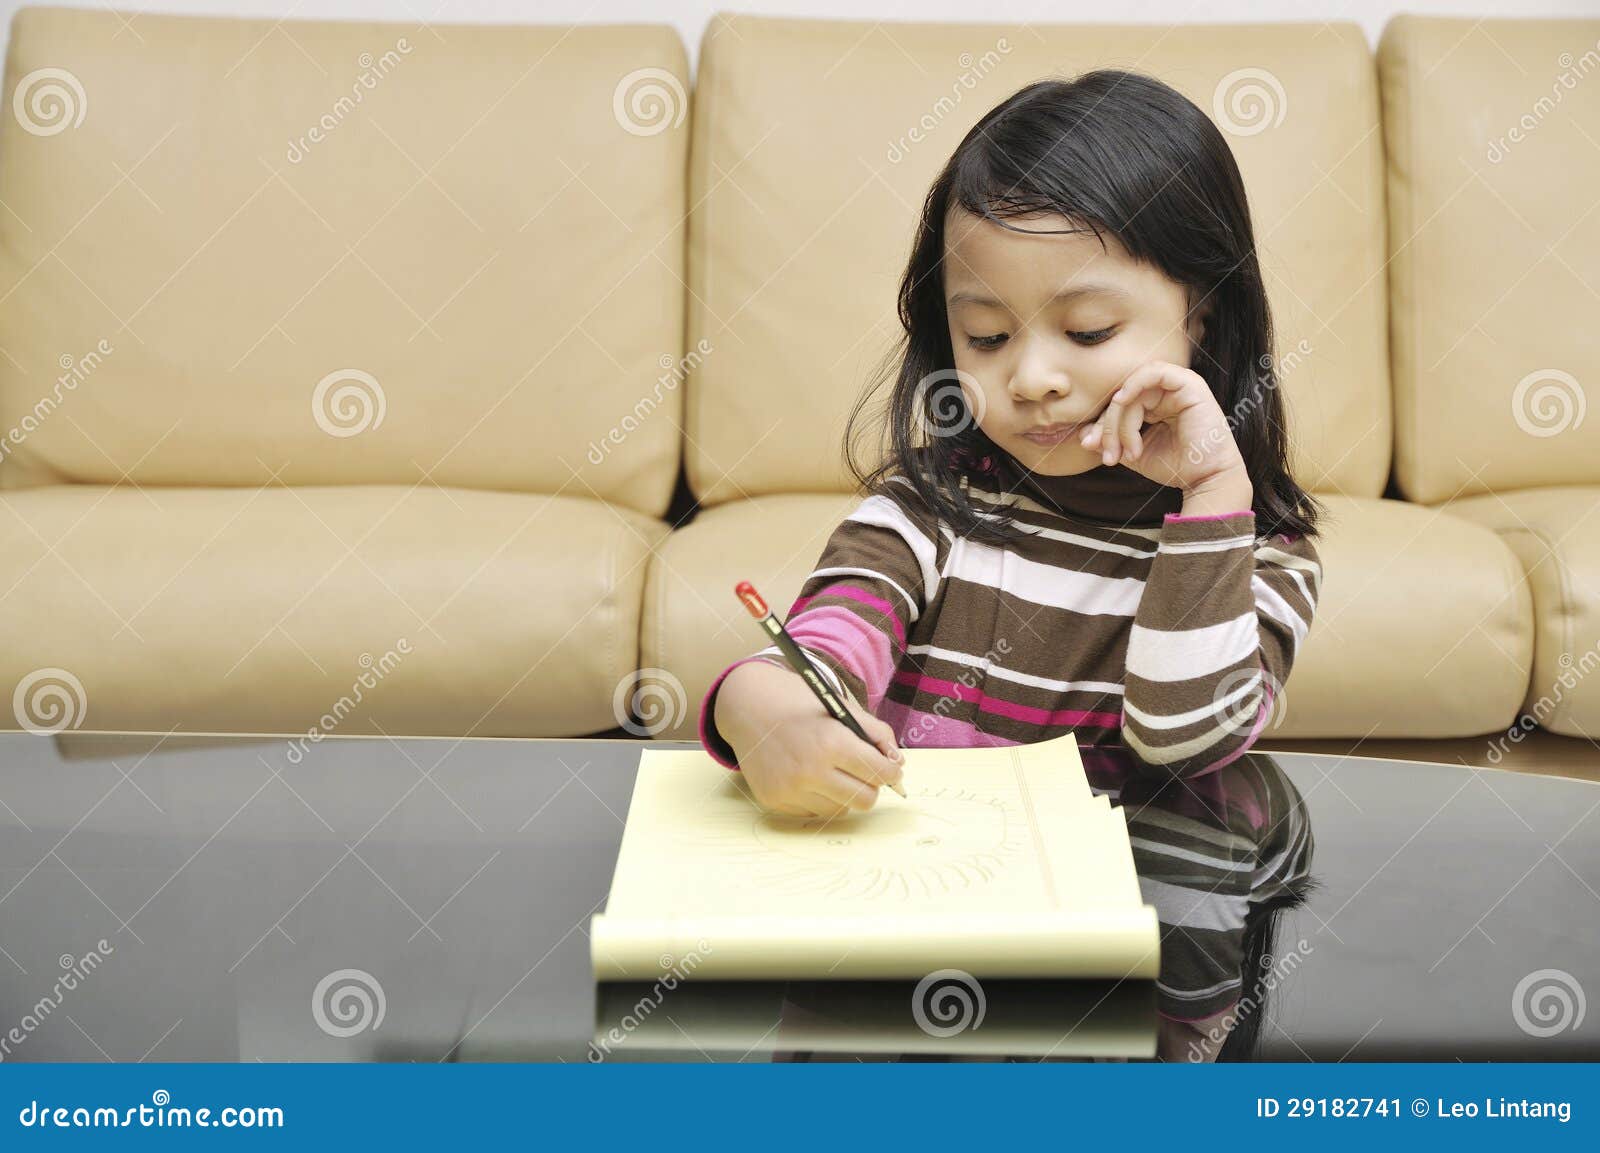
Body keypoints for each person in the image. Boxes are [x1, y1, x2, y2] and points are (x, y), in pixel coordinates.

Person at [699, 70, 1324, 819]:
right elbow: (811, 656)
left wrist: (1215, 493)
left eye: (1088, 330)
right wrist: (765, 710)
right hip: (929, 890)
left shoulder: (1262, 552)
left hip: (1125, 910)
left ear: (1204, 310)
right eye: (987, 336)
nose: (1030, 378)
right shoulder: (928, 510)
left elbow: (1185, 745)